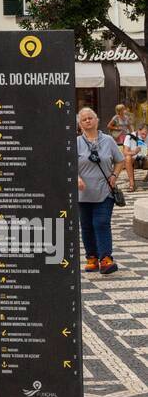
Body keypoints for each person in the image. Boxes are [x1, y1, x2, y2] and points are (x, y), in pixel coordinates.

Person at [78, 107, 124, 275]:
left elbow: (120, 161)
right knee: (86, 226)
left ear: (97, 120)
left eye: (91, 118)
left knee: (101, 222)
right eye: (84, 119)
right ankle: (91, 257)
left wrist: (114, 175)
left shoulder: (108, 141)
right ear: (80, 124)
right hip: (83, 194)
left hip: (105, 190)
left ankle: (105, 258)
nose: (88, 121)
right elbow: (67, 165)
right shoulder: (76, 143)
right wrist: (77, 178)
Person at [121, 122, 148, 192]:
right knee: (127, 158)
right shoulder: (129, 137)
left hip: (144, 157)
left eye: (146, 134)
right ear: (138, 130)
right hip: (133, 157)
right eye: (143, 134)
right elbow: (125, 152)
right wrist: (134, 152)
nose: (144, 136)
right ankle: (132, 184)